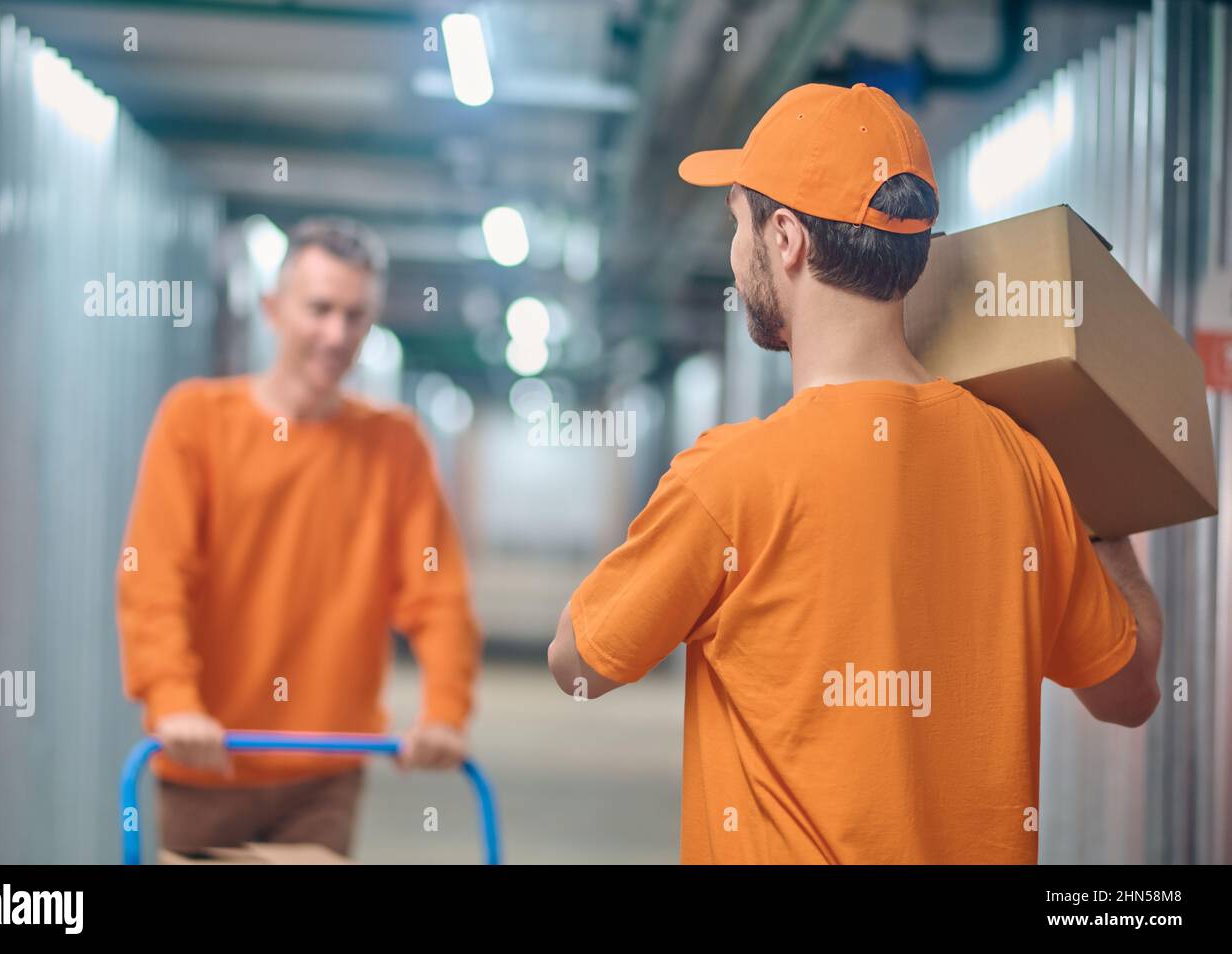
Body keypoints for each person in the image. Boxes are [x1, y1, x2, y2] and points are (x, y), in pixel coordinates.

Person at [547, 83, 1163, 864]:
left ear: (786, 237)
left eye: (736, 224)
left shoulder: (730, 478)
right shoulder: (1025, 467)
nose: (734, 257)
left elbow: (579, 662)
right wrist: (1107, 507)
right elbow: (1131, 692)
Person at [118, 218, 481, 858]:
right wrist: (174, 700)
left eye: (355, 315)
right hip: (207, 761)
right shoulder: (196, 422)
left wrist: (445, 710)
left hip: (328, 770)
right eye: (319, 309)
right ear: (273, 309)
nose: (336, 334)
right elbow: (154, 577)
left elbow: (438, 594)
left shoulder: (394, 445)